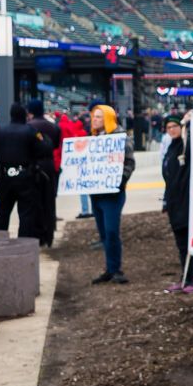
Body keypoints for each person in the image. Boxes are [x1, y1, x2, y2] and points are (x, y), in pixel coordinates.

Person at [0, 104, 52, 239]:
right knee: (26, 214)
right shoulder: (30, 131)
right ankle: (23, 245)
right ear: (25, 115)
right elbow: (44, 150)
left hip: (5, 177)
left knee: (2, 212)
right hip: (26, 177)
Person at [87, 104, 135, 284]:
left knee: (111, 230)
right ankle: (110, 268)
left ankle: (116, 269)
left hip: (112, 194)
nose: (94, 120)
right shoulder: (93, 138)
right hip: (97, 192)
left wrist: (118, 180)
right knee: (104, 233)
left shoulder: (120, 138)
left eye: (98, 117)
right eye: (93, 117)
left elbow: (129, 162)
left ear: (107, 117)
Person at [161, 115, 193, 293]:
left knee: (191, 240)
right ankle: (185, 276)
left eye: (175, 126)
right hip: (174, 202)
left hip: (187, 202)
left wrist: (190, 123)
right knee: (181, 243)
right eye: (168, 127)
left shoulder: (187, 146)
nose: (172, 130)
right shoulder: (170, 148)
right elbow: (169, 178)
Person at [26, 99, 63, 247]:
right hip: (50, 165)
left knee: (35, 202)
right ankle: (49, 233)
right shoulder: (53, 127)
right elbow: (55, 145)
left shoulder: (28, 127)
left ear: (31, 111)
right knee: (49, 199)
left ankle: (39, 234)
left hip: (34, 165)